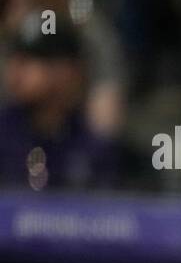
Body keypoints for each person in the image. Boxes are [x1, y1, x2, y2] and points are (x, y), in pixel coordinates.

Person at [0, 13, 118, 191]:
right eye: (15, 58)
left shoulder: (90, 146)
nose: (16, 70)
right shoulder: (4, 132)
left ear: (67, 70)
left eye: (31, 60)